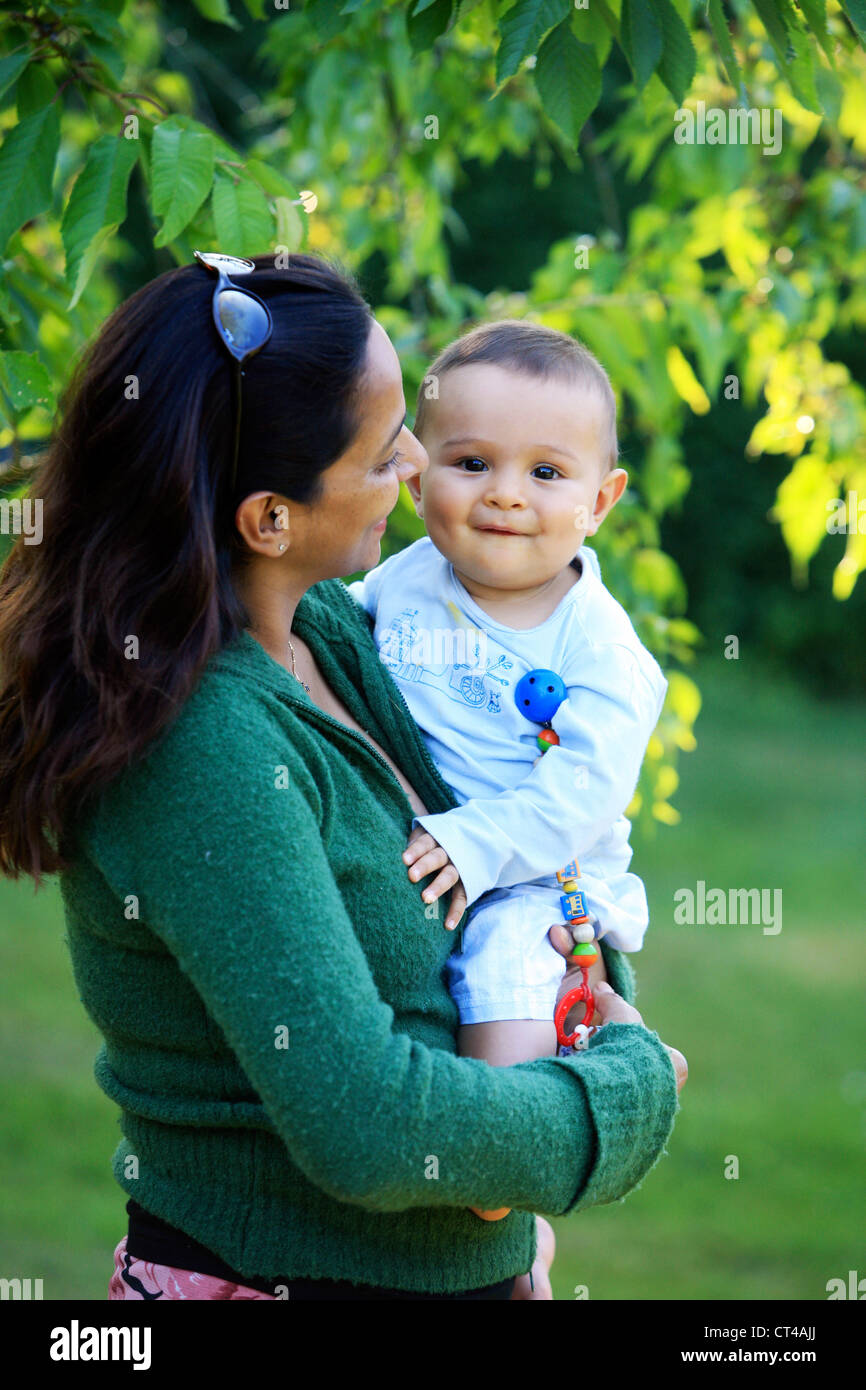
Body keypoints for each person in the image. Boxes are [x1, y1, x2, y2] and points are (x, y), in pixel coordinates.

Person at [0, 251, 686, 1302]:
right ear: (269, 518)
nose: (417, 463)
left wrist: (591, 991)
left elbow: (505, 857)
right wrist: (625, 1087)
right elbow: (366, 1127)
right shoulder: (202, 748)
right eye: (379, 453)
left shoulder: (329, 628)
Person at [348, 320, 665, 1071]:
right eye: (473, 462)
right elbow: (339, 637)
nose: (504, 495)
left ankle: (506, 1131)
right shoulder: (408, 577)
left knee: (500, 964)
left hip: (539, 876)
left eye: (546, 474)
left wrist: (480, 842)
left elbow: (581, 795)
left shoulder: (602, 651)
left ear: (601, 499)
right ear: (417, 478)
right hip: (430, 848)